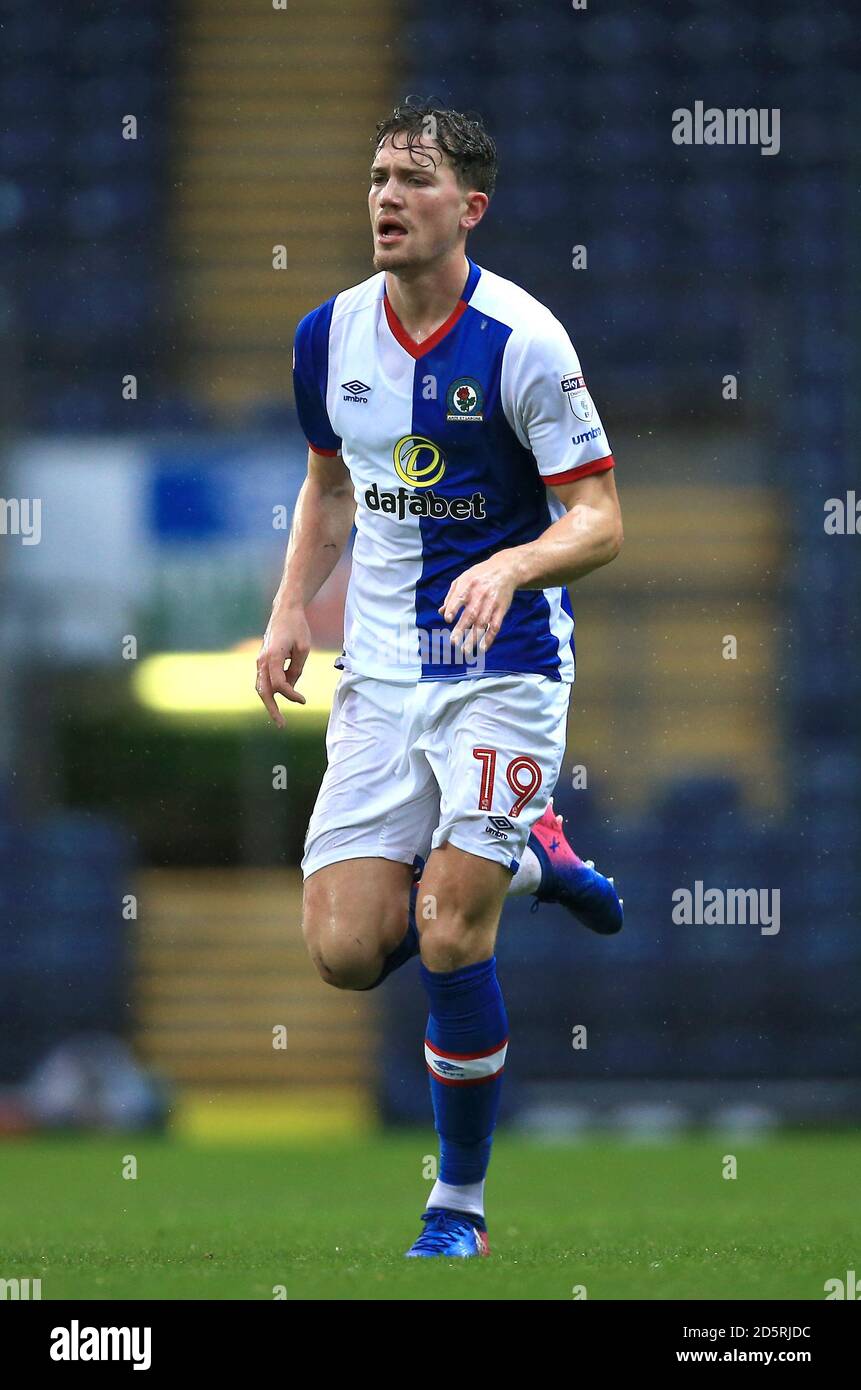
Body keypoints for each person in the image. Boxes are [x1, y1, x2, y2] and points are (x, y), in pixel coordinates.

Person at [256, 100, 624, 1258]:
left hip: (500, 667)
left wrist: (515, 564)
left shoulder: (525, 341)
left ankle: (454, 1209)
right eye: (375, 177)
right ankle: (531, 847)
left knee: (450, 929)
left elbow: (601, 518)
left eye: (412, 180)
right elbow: (327, 487)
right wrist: (285, 615)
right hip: (379, 672)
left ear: (469, 208)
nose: (384, 198)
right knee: (349, 950)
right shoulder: (328, 337)